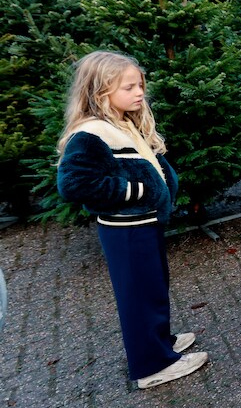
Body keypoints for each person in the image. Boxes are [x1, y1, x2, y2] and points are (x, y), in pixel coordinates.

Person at [56, 51, 207, 389]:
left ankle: (158, 341)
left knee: (152, 286)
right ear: (100, 93)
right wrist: (137, 190)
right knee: (137, 294)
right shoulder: (91, 133)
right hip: (126, 230)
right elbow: (73, 184)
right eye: (129, 87)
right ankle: (151, 365)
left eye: (140, 85)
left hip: (144, 224)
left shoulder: (119, 122)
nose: (139, 92)